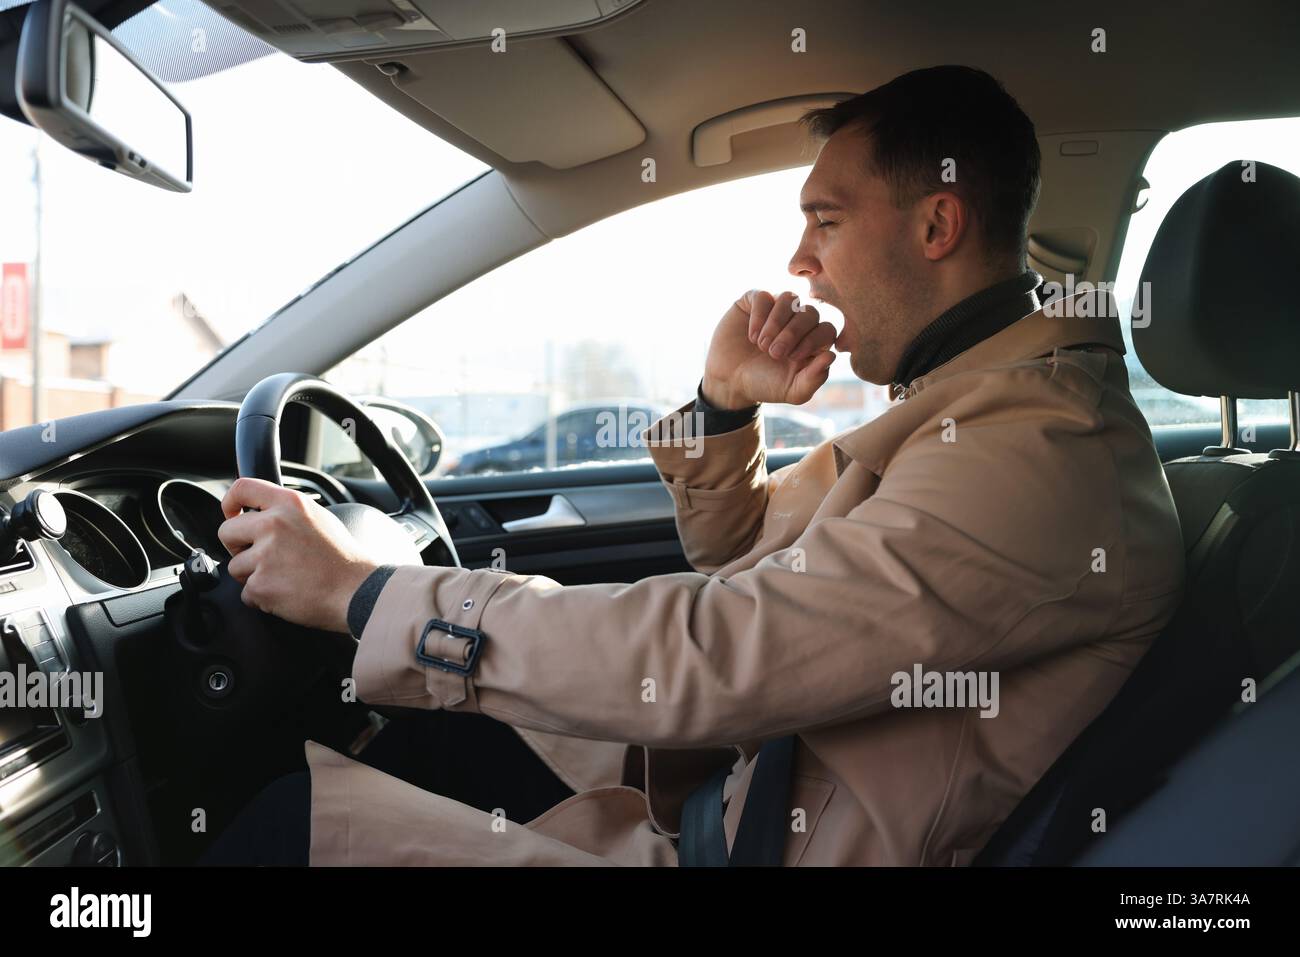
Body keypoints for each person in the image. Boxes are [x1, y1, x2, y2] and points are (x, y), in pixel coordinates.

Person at [203, 64, 1185, 866]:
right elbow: (748, 552)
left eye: (826, 221)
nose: (801, 260)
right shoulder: (966, 406)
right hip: (733, 799)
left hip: (744, 846)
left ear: (935, 227)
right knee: (422, 731)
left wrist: (365, 595)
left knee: (287, 829)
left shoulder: (1035, 453)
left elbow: (721, 650)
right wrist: (725, 401)